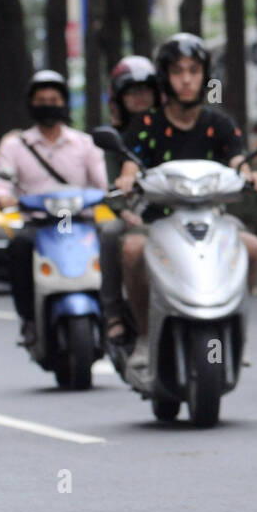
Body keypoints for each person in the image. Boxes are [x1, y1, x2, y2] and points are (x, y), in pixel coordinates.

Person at [113, 33, 257, 376]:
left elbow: (238, 162)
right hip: (156, 221)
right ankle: (143, 336)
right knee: (131, 250)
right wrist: (126, 180)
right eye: (178, 71)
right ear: (165, 77)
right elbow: (130, 164)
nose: (186, 79)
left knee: (252, 248)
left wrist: (253, 177)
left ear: (204, 75)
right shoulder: (146, 125)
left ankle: (236, 332)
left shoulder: (220, 124)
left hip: (211, 221)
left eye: (194, 70)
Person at [0, 70, 108, 345]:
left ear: (64, 103)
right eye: (41, 99)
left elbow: (102, 184)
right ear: (31, 104)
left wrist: (108, 195)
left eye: (54, 99)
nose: (48, 104)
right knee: (19, 247)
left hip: (79, 222)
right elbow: (0, 183)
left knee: (111, 244)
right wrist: (3, 197)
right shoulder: (15, 145)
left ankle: (115, 317)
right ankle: (29, 319)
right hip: (39, 225)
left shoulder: (84, 143)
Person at [98, 55, 160, 349]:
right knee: (111, 233)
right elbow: (107, 183)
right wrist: (124, 213)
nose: (139, 97)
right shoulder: (113, 138)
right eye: (131, 91)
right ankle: (114, 314)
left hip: (173, 211)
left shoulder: (169, 129)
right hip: (133, 215)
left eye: (145, 90)